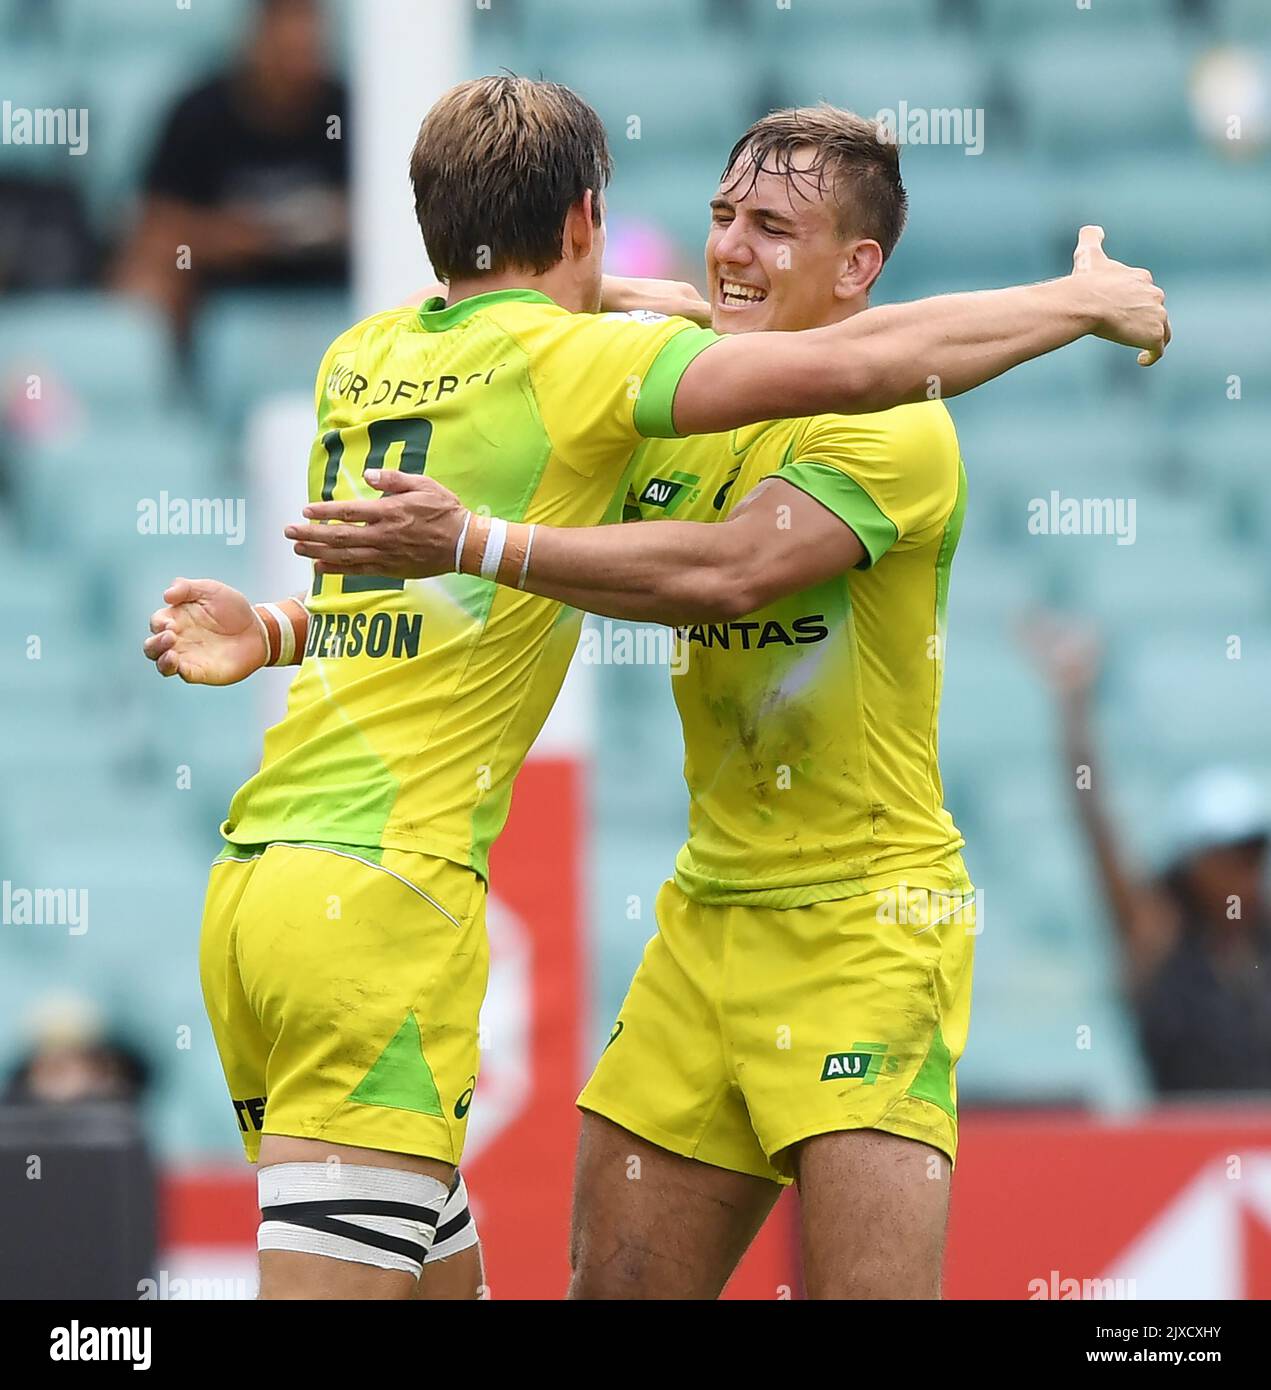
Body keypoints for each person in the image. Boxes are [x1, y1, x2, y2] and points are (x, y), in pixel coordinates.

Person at [144, 75, 1168, 1301]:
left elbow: (729, 571)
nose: (731, 245)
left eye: (772, 230)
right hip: (701, 923)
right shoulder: (646, 397)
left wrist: (1072, 299)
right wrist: (283, 624)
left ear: (858, 269)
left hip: (861, 922)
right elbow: (471, 585)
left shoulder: (892, 422)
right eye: (722, 213)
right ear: (586, 220)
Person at [1025, 619, 1271, 1096]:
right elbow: (1094, 825)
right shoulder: (1155, 932)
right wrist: (1074, 703)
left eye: (1254, 852)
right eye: (1231, 854)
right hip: (1177, 1159)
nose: (1246, 871)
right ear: (1192, 862)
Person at [113, 0, 348, 333]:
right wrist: (229, 236)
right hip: (220, 277)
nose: (296, 65)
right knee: (147, 274)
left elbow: (396, 210)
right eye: (285, 52)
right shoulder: (200, 113)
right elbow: (155, 228)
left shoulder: (348, 110)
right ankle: (158, 381)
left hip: (330, 271)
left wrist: (336, 221)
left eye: (306, 49)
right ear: (257, 39)